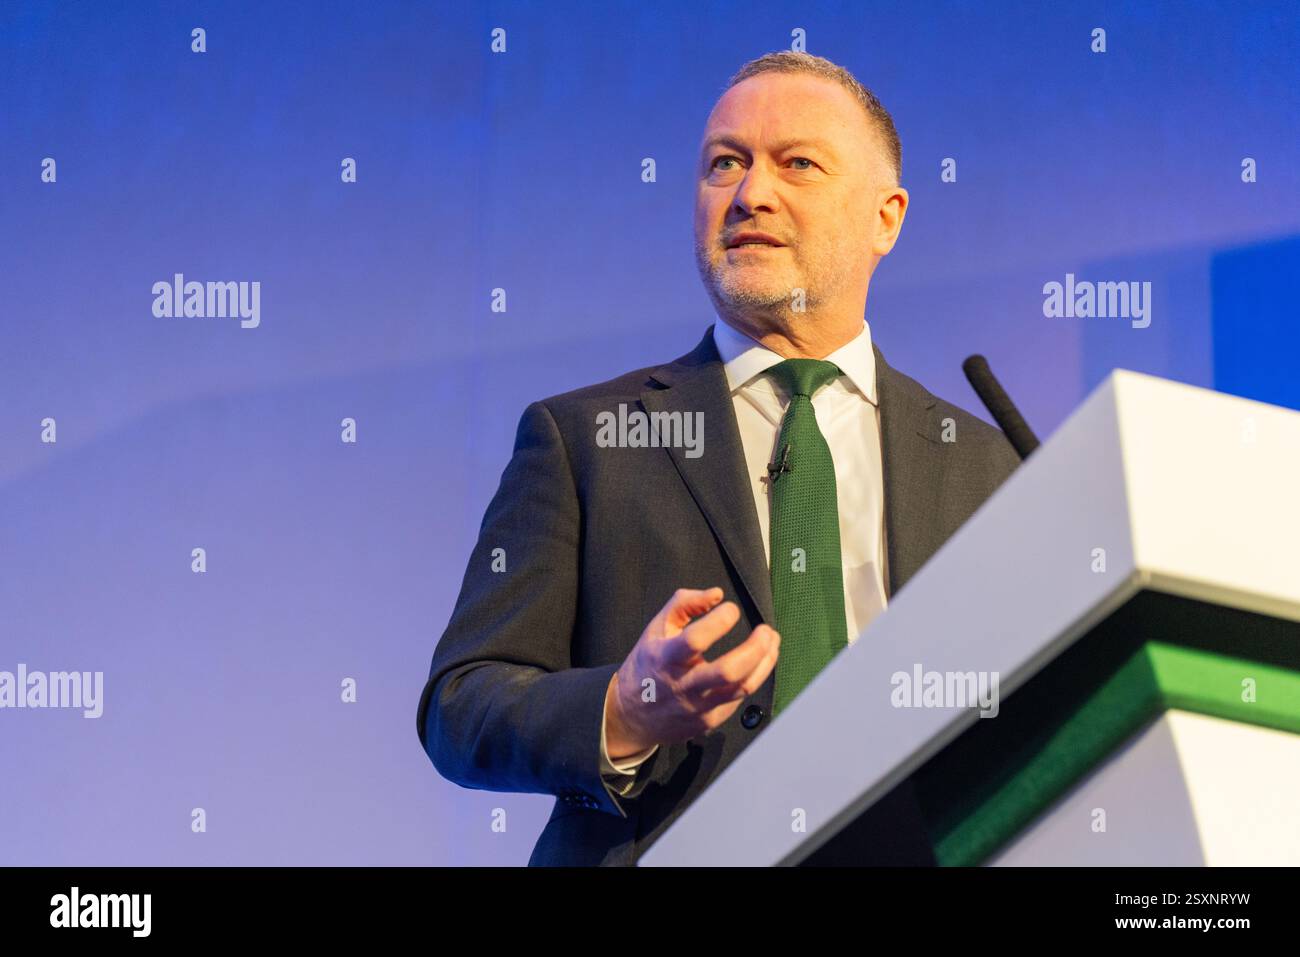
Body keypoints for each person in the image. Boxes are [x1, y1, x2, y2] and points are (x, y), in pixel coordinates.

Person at [416, 51, 1020, 866]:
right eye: (723, 164)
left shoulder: (986, 463)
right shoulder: (585, 437)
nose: (750, 194)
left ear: (887, 217)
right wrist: (625, 708)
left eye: (796, 163)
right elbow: (462, 706)